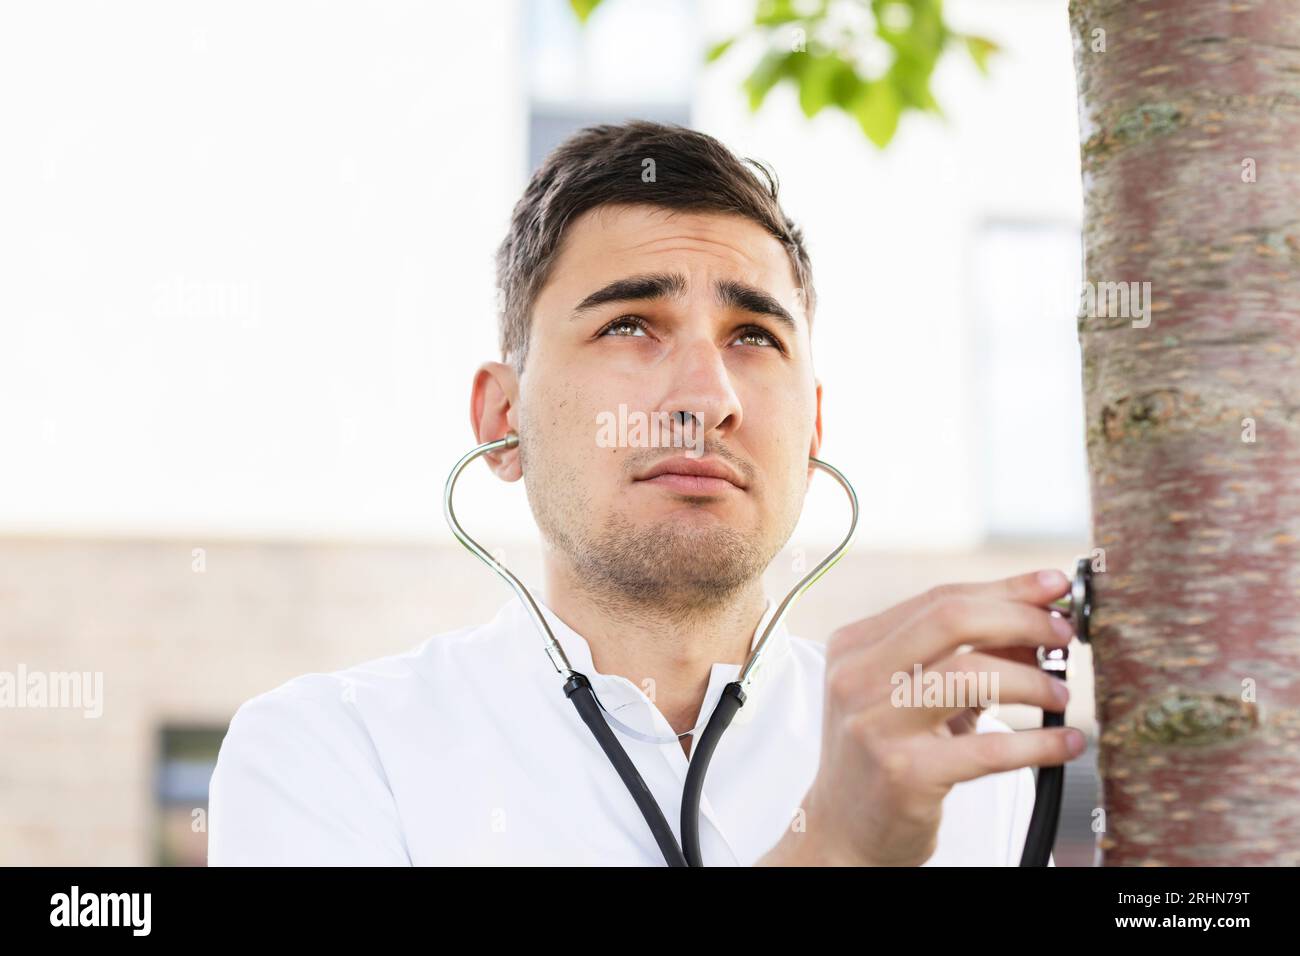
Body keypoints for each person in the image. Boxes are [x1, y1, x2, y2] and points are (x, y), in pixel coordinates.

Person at [208, 121, 1083, 866]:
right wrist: (838, 852)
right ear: (501, 417)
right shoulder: (326, 752)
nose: (707, 399)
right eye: (630, 326)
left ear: (813, 431)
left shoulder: (982, 779)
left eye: (754, 337)